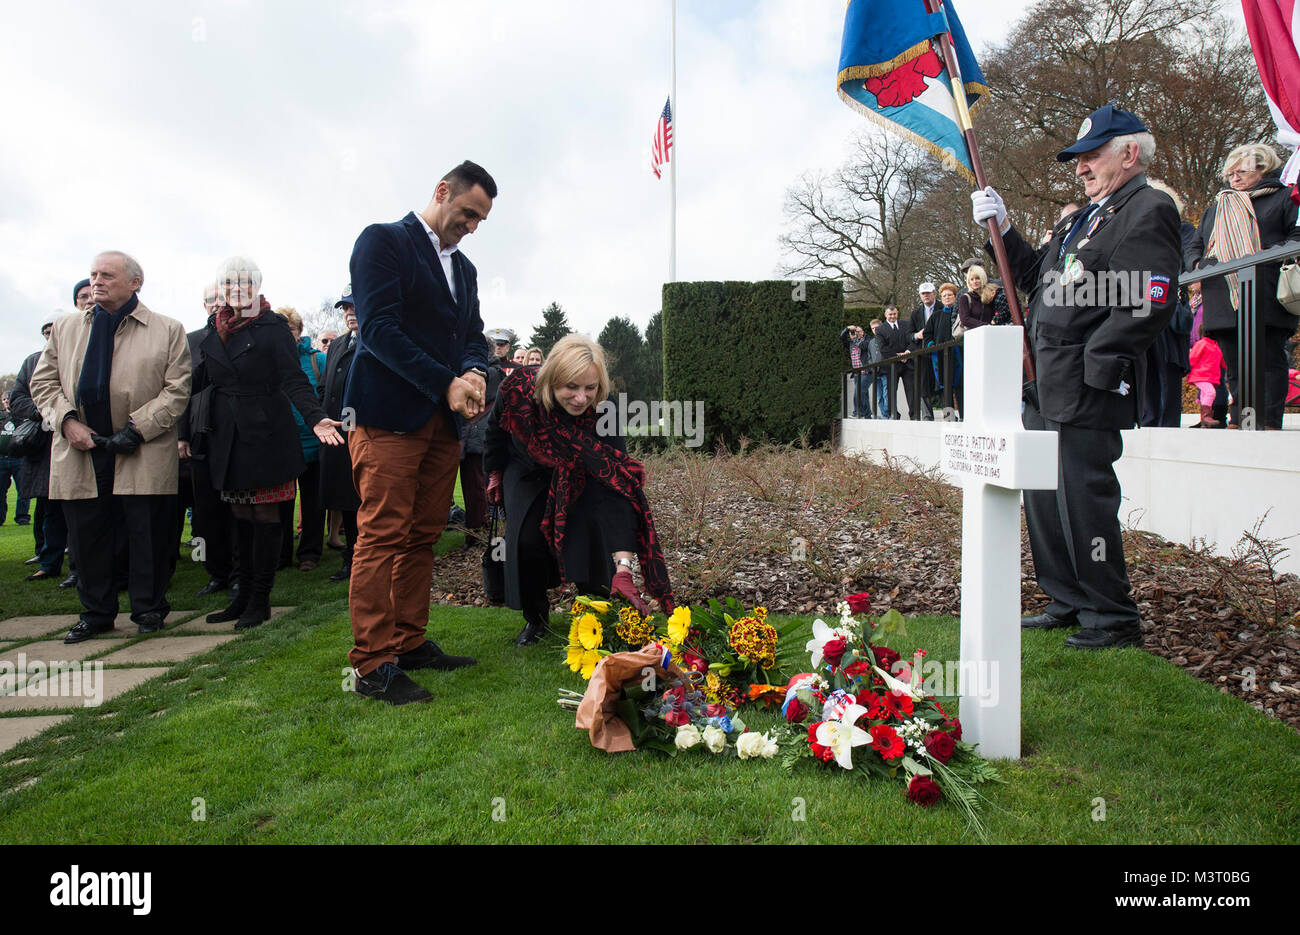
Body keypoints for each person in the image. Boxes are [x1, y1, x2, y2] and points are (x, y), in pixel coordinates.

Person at [972, 104, 1181, 649]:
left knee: (1084, 498)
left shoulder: (1147, 208)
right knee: (1043, 497)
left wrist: (1099, 366)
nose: (1081, 168)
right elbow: (1033, 278)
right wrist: (1005, 229)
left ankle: (1111, 616)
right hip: (1043, 380)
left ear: (1128, 153)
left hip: (1086, 384)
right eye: (1078, 160)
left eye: (1091, 156)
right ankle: (1065, 598)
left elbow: (1151, 298)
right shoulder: (1080, 218)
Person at [343, 160, 496, 705]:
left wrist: (475, 371)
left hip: (442, 425)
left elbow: (473, 335)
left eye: (480, 220)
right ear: (441, 191)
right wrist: (445, 382)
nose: (472, 226)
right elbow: (379, 329)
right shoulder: (383, 241)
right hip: (386, 415)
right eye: (468, 213)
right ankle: (371, 664)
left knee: (424, 534)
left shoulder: (467, 271)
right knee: (383, 534)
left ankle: (408, 643)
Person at [31, 251, 192, 643]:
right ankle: (97, 613)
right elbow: (43, 384)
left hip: (141, 448)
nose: (96, 281)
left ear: (135, 282)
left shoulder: (167, 329)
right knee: (87, 538)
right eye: (93, 274)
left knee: (146, 534)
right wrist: (67, 422)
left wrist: (137, 430)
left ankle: (149, 608)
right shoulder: (66, 329)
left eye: (107, 275)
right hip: (81, 450)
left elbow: (177, 390)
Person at [485, 334, 675, 646]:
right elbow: (495, 430)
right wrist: (493, 473)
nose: (581, 397)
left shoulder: (605, 408)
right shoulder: (517, 389)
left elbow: (619, 485)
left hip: (577, 470)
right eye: (570, 387)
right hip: (526, 467)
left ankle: (594, 608)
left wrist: (624, 568)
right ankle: (536, 617)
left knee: (588, 527)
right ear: (550, 381)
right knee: (528, 540)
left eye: (590, 388)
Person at [185, 257, 342, 629]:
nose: (235, 291)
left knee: (265, 517)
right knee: (238, 517)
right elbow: (197, 379)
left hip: (266, 434)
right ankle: (240, 596)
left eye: (242, 284)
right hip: (227, 434)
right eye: (228, 284)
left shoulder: (273, 327)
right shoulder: (215, 326)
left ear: (256, 287)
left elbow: (293, 379)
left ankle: (260, 599)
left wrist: (316, 417)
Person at [1187, 143, 1299, 429]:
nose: (1234, 178)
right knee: (1234, 362)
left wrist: (1263, 255)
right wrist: (1196, 264)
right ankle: (1240, 419)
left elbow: (1296, 236)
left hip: (1266, 290)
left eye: (1242, 172)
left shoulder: (1286, 198)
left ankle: (1269, 420)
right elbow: (1195, 244)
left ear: (1263, 169)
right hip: (1222, 292)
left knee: (1270, 358)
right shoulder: (1218, 206)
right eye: (1231, 173)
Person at [182, 283, 240, 597]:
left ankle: (238, 573)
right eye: (211, 300)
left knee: (235, 509)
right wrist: (181, 437)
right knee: (204, 513)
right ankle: (214, 571)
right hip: (200, 435)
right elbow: (180, 392)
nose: (217, 304)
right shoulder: (190, 342)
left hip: (236, 435)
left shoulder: (244, 336)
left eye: (223, 299)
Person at [11, 318, 64, 580]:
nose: (50, 334)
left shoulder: (79, 355)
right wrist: (43, 411)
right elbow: (17, 398)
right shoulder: (33, 361)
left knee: (80, 510)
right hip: (45, 448)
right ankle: (49, 561)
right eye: (46, 331)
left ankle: (78, 567)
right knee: (49, 508)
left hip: (75, 440)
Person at [276, 306, 328, 571]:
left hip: (313, 441)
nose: (286, 335)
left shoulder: (316, 360)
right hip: (283, 443)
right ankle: (281, 553)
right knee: (281, 501)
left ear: (299, 332)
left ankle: (309, 553)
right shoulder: (270, 360)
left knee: (313, 502)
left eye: (291, 330)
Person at [319, 287, 360, 582]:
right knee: (344, 499)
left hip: (361, 433)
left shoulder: (377, 341)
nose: (349, 313)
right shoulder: (337, 344)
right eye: (345, 308)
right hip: (334, 434)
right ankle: (350, 556)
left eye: (355, 307)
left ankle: (362, 557)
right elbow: (325, 387)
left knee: (362, 498)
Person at [925, 283, 963, 417]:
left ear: (955, 296)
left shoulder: (961, 313)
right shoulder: (936, 316)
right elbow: (927, 334)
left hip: (959, 356)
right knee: (944, 388)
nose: (947, 298)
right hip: (940, 357)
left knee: (960, 387)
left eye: (950, 295)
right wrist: (931, 345)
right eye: (944, 295)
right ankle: (949, 418)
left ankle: (965, 417)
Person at [875, 304, 912, 418]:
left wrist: (907, 352)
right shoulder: (880, 329)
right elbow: (883, 348)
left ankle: (914, 414)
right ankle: (894, 415)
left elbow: (912, 340)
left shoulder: (906, 325)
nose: (892, 316)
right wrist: (897, 356)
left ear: (897, 313)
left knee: (911, 390)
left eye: (894, 314)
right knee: (890, 392)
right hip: (891, 365)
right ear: (886, 315)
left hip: (908, 363)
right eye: (890, 314)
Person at [1187, 324, 1227, 428]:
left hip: (1209, 378)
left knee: (1205, 396)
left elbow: (1223, 363)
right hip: (1200, 376)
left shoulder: (1216, 345)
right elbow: (1192, 358)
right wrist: (1187, 369)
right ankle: (1206, 417)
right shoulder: (1202, 344)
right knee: (1211, 393)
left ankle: (1204, 421)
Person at [839, 323, 869, 418]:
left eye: (858, 331)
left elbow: (864, 347)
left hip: (865, 371)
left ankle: (857, 413)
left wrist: (855, 339)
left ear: (863, 332)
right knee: (864, 394)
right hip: (856, 373)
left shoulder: (866, 341)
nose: (856, 333)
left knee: (858, 391)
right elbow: (842, 337)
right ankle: (868, 414)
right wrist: (847, 328)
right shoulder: (851, 343)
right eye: (855, 332)